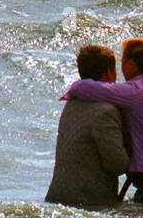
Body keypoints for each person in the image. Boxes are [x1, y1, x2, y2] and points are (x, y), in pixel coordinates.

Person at [61, 38, 143, 203]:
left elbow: (82, 87)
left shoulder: (135, 92)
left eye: (122, 61)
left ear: (132, 64)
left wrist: (71, 93)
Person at [45, 44, 130, 207]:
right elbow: (117, 164)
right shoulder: (105, 111)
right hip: (89, 202)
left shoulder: (71, 104)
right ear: (108, 73)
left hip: (57, 197)